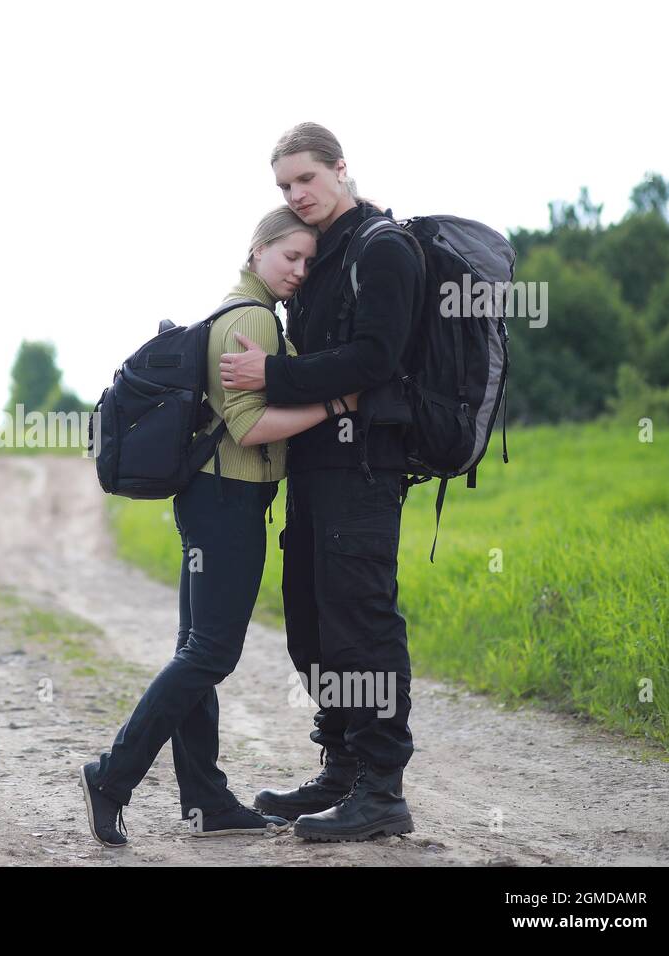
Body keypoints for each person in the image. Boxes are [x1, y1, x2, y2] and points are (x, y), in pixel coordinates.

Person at [80, 206, 360, 847]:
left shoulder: (235, 310)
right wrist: (337, 402)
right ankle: (112, 776)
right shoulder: (253, 317)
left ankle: (204, 796)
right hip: (228, 499)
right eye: (290, 256)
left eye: (309, 263)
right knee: (211, 652)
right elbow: (250, 426)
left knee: (196, 649)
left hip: (209, 497)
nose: (299, 271)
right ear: (258, 249)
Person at [219, 122, 423, 842]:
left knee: (361, 624)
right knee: (311, 625)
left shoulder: (383, 249)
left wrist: (271, 375)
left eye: (306, 178)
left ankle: (381, 790)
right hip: (313, 469)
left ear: (341, 168)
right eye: (283, 186)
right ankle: (339, 770)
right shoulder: (319, 259)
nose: (296, 195)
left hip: (364, 469)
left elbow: (375, 358)